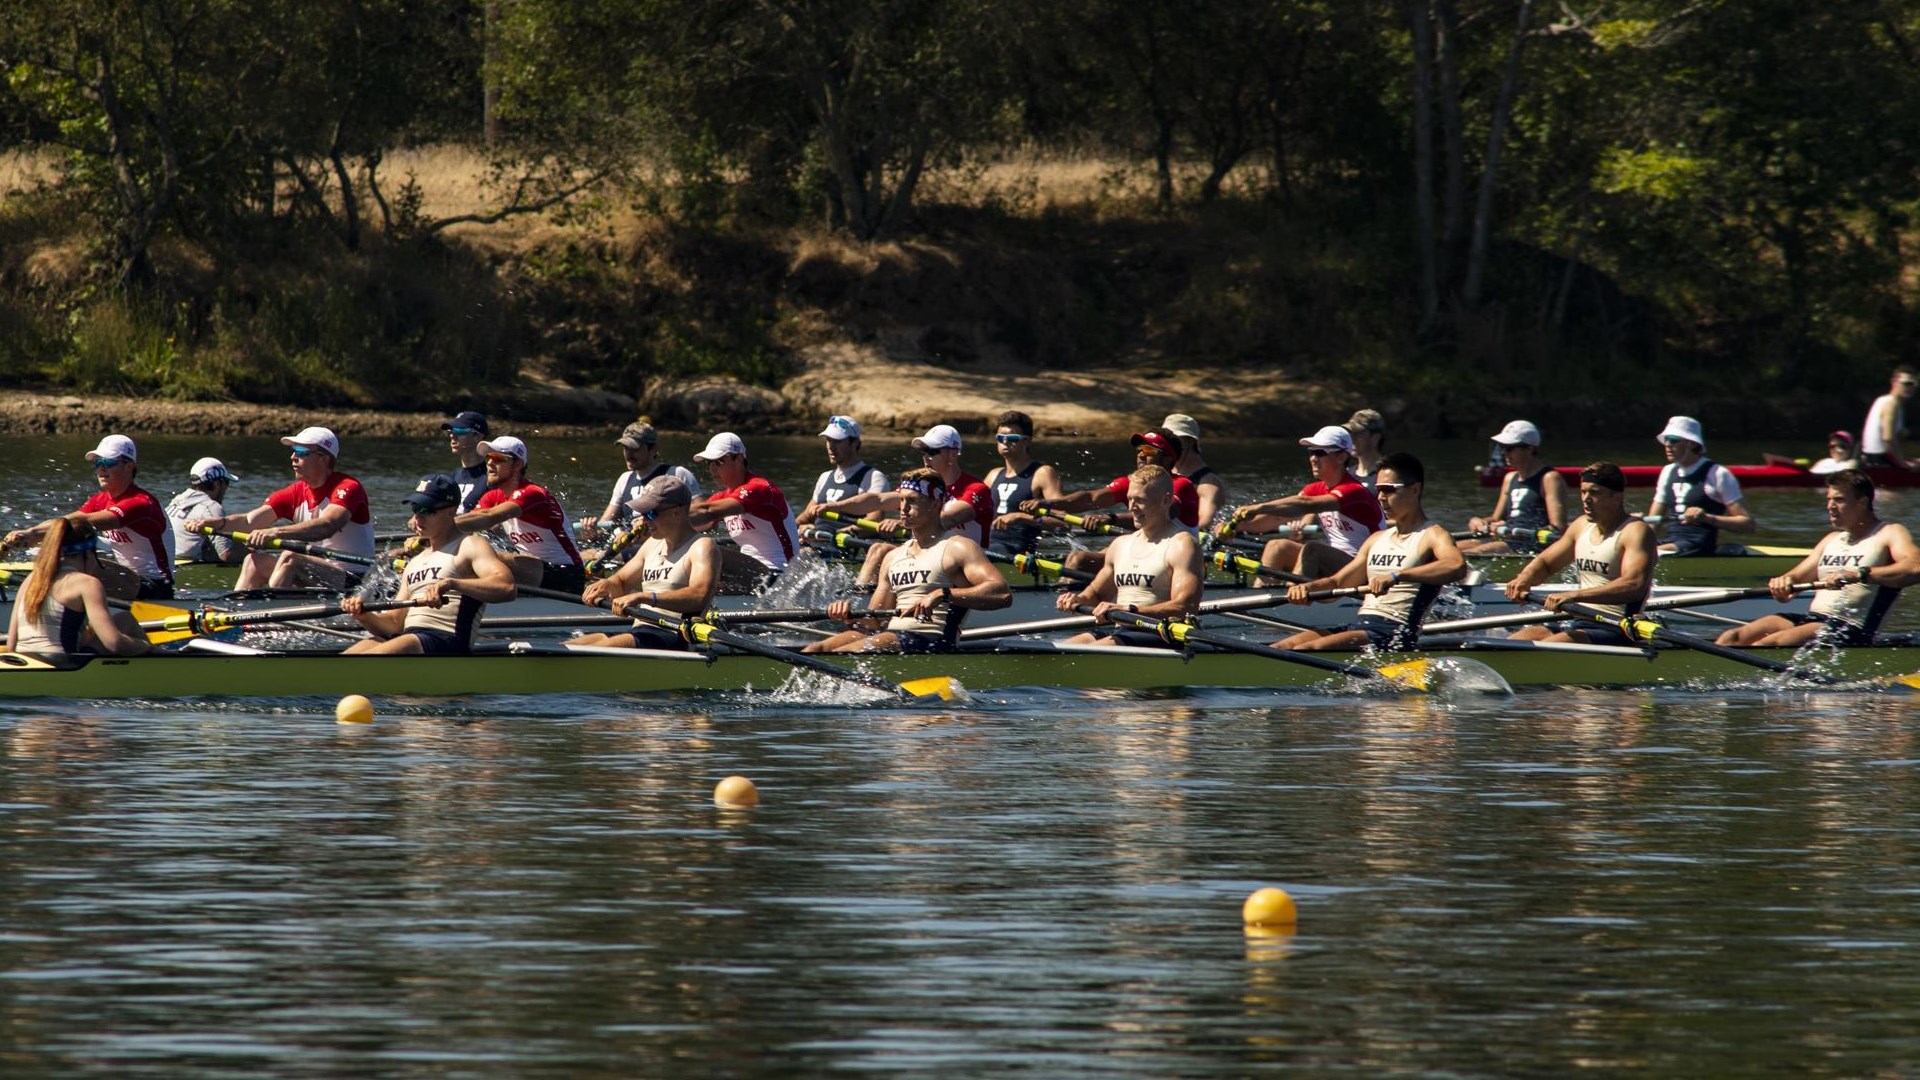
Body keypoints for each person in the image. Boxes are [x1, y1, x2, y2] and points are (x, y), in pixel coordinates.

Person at [803, 469, 1011, 654]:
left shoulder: (958, 547)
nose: (903, 508)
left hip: (932, 641)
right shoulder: (894, 556)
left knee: (842, 654)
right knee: (816, 649)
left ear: (935, 503)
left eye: (912, 501)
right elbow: (874, 621)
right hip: (892, 637)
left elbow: (1001, 593)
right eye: (901, 500)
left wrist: (943, 594)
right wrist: (848, 616)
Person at [1271, 453, 1465, 652]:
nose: (1381, 497)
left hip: (1394, 634)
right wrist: (1307, 588)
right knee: (1280, 647)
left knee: (1308, 648)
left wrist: (1398, 575)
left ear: (1415, 489)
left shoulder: (1433, 535)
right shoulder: (1376, 539)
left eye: (1388, 490)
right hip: (1361, 627)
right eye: (1378, 490)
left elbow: (1456, 566)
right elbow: (1337, 584)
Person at [1715, 470, 1920, 648]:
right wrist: (1783, 583)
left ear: (1862, 502)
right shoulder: (1831, 539)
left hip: (1852, 628)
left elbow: (1915, 567)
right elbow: (1795, 577)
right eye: (1829, 500)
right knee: (1732, 637)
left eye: (1838, 500)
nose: (1830, 506)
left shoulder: (1889, 533)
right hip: (1813, 621)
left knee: (1770, 644)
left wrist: (1860, 573)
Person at [342, 475, 517, 655]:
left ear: (450, 512)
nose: (418, 518)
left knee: (392, 648)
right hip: (411, 638)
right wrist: (364, 616)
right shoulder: (415, 563)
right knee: (353, 654)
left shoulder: (470, 545)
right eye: (415, 509)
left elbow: (507, 586)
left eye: (426, 510)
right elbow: (394, 623)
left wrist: (453, 583)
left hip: (446, 640)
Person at [189, 426, 374, 590]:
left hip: (353, 580)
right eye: (294, 451)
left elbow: (327, 525)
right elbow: (249, 521)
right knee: (254, 561)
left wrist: (275, 533)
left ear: (324, 458)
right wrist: (217, 524)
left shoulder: (348, 487)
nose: (293, 457)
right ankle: (238, 617)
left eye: (301, 452)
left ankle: (270, 613)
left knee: (291, 557)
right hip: (316, 572)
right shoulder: (295, 492)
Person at [1503, 461, 1657, 646]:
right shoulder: (1581, 525)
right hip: (1579, 622)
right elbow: (1546, 563)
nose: (1586, 499)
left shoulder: (1635, 531)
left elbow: (1634, 585)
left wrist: (1574, 596)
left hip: (1619, 627)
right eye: (1583, 492)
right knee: (1517, 640)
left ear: (1616, 497)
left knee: (1552, 645)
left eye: (1594, 492)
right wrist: (1524, 579)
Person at [4, 434, 175, 600]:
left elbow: (83, 523)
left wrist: (32, 533)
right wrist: (30, 535)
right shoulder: (101, 499)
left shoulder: (141, 503)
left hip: (156, 586)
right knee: (68, 554)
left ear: (129, 466)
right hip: (127, 581)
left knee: (74, 561)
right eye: (98, 463)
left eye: (108, 462)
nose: (101, 468)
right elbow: (66, 520)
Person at [821, 424, 994, 586]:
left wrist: (903, 522)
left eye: (933, 451)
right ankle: (859, 599)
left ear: (953, 453)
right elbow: (878, 500)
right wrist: (834, 506)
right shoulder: (922, 487)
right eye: (924, 451)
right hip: (928, 556)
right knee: (878, 549)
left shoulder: (976, 489)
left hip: (964, 562)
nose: (926, 457)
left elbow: (947, 518)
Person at [1053, 465, 1203, 647]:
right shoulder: (1120, 544)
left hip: (1162, 633)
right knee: (1059, 647)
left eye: (1140, 500)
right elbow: (1097, 594)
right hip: (1121, 630)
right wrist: (1078, 599)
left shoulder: (1182, 544)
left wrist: (1131, 610)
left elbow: (1185, 607)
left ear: (1166, 500)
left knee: (1081, 653)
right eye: (1130, 499)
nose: (1132, 507)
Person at [1021, 427, 1199, 574]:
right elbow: (1090, 498)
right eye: (1139, 450)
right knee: (1077, 559)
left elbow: (1159, 514)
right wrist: (1049, 503)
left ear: (1167, 458)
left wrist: (1110, 518)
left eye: (1148, 450)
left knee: (1080, 560)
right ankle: (1071, 605)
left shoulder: (1181, 485)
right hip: (1143, 549)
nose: (1141, 455)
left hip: (1177, 556)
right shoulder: (1132, 483)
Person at [572, 476, 721, 650]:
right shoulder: (651, 545)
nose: (644, 521)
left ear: (677, 511)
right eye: (642, 514)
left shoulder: (702, 547)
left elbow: (699, 596)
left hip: (676, 636)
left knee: (594, 649)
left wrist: (644, 597)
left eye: (651, 513)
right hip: (643, 632)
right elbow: (621, 582)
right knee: (570, 644)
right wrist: (606, 584)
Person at [1218, 425, 1382, 580]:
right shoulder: (1315, 488)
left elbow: (1305, 503)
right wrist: (1237, 527)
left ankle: (1295, 598)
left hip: (1366, 566)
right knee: (1277, 546)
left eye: (1319, 452)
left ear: (1341, 457)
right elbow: (1274, 519)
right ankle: (1261, 596)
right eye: (1310, 452)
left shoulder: (1354, 490)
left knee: (1312, 549)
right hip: (1338, 561)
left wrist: (1258, 507)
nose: (1313, 458)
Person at [4, 515, 151, 658]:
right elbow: (114, 643)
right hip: (63, 666)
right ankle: (159, 662)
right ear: (88, 553)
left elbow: (11, 645)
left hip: (23, 662)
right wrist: (145, 646)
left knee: (124, 619)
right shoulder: (87, 583)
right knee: (127, 621)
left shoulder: (30, 580)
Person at [458, 435, 586, 592]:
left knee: (482, 556)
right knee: (467, 547)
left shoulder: (532, 493)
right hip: (535, 571)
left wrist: (443, 524)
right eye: (488, 457)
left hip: (567, 574)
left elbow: (489, 517)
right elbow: (468, 525)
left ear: (518, 464)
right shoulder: (493, 496)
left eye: (498, 458)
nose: (490, 462)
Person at [688, 432, 801, 592]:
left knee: (707, 549)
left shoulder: (759, 488)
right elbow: (691, 524)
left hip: (782, 577)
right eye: (709, 463)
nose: (712, 468)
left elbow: (706, 512)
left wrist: (663, 515)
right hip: (753, 576)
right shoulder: (722, 497)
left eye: (718, 462)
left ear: (739, 459)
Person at [1646, 416, 1757, 556]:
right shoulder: (1667, 472)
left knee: (1648, 554)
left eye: (1673, 440)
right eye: (1666, 439)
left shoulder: (1718, 474)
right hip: (1671, 542)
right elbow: (1652, 522)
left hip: (1699, 546)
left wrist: (1707, 518)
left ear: (1691, 444)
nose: (1667, 444)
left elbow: (1748, 525)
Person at [1459, 420, 1568, 555]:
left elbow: (1558, 528)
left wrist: (1518, 532)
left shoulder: (1549, 478)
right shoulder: (1509, 478)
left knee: (1467, 555)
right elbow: (1496, 519)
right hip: (1507, 539)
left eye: (1509, 448)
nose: (1504, 453)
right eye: (1502, 448)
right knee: (1447, 550)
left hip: (1531, 546)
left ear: (1530, 449)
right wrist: (1478, 521)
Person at [582, 419, 702, 539]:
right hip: (628, 543)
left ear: (653, 449)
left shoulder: (678, 474)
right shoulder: (624, 479)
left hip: (661, 543)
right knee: (585, 555)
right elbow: (605, 525)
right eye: (625, 448)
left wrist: (649, 519)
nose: (629, 454)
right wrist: (593, 534)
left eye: (634, 448)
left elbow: (703, 514)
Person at [982, 410, 1065, 556]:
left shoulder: (1043, 473)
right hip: (986, 546)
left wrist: (1021, 517)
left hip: (1016, 551)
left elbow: (1062, 523)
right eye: (1000, 438)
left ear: (1027, 441)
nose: (1005, 442)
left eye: (1012, 438)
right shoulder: (993, 475)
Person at [793, 415, 889, 526]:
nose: (831, 447)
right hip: (817, 538)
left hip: (847, 540)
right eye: (828, 440)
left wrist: (834, 535)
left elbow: (874, 520)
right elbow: (806, 516)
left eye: (837, 441)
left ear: (855, 443)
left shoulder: (873, 477)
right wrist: (794, 529)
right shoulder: (824, 477)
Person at [167, 457, 245, 565]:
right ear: (218, 484)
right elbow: (226, 554)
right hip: (187, 569)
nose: (226, 488)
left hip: (165, 563)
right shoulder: (212, 506)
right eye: (227, 483)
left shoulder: (176, 501)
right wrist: (252, 554)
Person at [1162, 413, 1229, 527]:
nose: (1168, 445)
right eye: (1165, 439)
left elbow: (1204, 523)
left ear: (1190, 441)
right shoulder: (1167, 471)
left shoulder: (1208, 484)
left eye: (1175, 440)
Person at [1861, 366, 1919, 469]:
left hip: (1875, 460)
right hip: (1878, 463)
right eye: (1907, 383)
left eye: (1914, 384)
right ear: (1894, 382)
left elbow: (1899, 436)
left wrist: (1907, 459)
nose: (1911, 387)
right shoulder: (1891, 404)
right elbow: (1888, 438)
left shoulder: (1884, 400)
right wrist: (1903, 465)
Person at [441, 410, 492, 512]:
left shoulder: (492, 477)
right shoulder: (449, 479)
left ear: (477, 436)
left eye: (459, 430)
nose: (452, 435)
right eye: (451, 430)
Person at [1344, 408, 1388, 490]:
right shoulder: (1346, 475)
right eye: (1351, 433)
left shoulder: (1389, 475)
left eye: (1358, 434)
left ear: (1376, 438)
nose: (1352, 439)